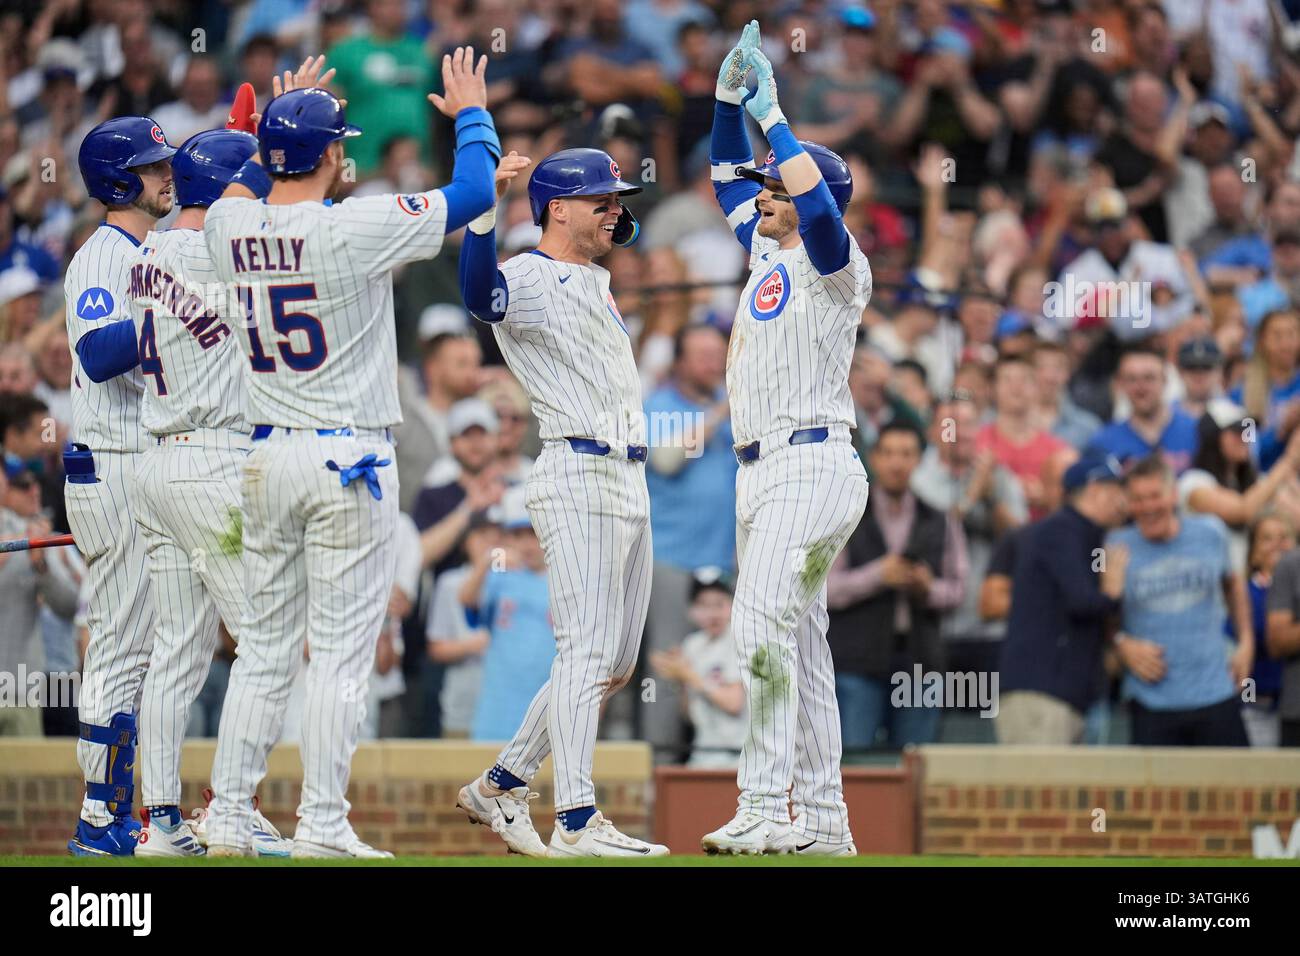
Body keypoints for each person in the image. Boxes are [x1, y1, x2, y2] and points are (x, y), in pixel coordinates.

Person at [201, 50, 499, 859]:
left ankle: (227, 810)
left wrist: (277, 125)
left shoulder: (228, 225)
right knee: (337, 656)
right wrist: (472, 112)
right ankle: (322, 824)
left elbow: (245, 183)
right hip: (345, 458)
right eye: (340, 145)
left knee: (263, 651)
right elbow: (474, 192)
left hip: (264, 457)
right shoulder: (352, 223)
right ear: (334, 155)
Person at [455, 139, 667, 852]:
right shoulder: (533, 273)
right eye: (600, 199)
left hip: (626, 474)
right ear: (556, 209)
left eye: (618, 198)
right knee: (584, 651)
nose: (616, 210)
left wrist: (607, 222)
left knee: (613, 666)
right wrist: (485, 206)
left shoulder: (594, 278)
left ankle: (502, 783)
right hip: (578, 469)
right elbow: (480, 297)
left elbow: (618, 230)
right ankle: (576, 817)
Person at [699, 22, 871, 857]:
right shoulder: (766, 254)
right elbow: (722, 173)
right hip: (761, 468)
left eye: (773, 189)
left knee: (759, 624)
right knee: (801, 644)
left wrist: (775, 117)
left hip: (811, 460)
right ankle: (829, 820)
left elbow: (817, 208)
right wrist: (730, 100)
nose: (758, 196)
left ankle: (766, 803)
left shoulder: (839, 263)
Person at [127, 127, 288, 858]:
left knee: (178, 651)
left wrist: (256, 137)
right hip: (213, 465)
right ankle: (230, 808)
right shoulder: (217, 256)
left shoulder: (153, 251)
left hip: (159, 461)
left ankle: (161, 819)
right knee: (266, 639)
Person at [63, 114, 176, 856]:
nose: (165, 172)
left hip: (137, 463)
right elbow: (100, 354)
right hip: (111, 463)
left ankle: (125, 812)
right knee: (123, 647)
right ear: (116, 180)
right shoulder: (102, 256)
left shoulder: (149, 249)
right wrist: (172, 316)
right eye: (151, 164)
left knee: (148, 646)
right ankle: (100, 817)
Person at [827, 422, 967, 751]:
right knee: (853, 766)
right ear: (873, 459)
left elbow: (958, 590)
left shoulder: (940, 519)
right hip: (855, 660)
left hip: (919, 660)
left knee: (916, 767)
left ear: (919, 461)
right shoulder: (846, 514)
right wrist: (879, 575)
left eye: (906, 454)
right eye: (889, 453)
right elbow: (825, 590)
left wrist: (927, 588)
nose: (897, 463)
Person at [1105, 454, 1252, 747]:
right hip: (1151, 699)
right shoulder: (1114, 545)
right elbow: (1103, 612)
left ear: (1173, 495)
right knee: (1155, 794)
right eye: (1137, 499)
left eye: (1154, 496)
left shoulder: (1211, 531)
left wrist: (1246, 642)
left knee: (1235, 789)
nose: (1147, 507)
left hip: (1215, 691)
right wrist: (1121, 643)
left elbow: (1233, 586)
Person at [641, 323, 736, 761]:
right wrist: (719, 414)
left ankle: (726, 768)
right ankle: (660, 768)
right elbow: (665, 460)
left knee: (726, 665)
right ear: (679, 361)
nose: (713, 362)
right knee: (668, 668)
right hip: (671, 559)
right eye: (701, 354)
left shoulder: (735, 407)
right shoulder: (659, 405)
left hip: (725, 562)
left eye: (718, 353)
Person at [997, 452, 1127, 744]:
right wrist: (1112, 593)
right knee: (1036, 788)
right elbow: (1081, 601)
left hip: (1063, 694)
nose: (1123, 501)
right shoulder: (1061, 530)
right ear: (1095, 491)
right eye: (1117, 490)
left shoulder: (1084, 533)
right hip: (1039, 694)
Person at [459, 494, 555, 744]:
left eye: (533, 534)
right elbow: (466, 600)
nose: (527, 544)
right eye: (518, 536)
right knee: (486, 778)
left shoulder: (566, 581)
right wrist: (486, 562)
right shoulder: (501, 577)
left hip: (548, 708)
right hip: (497, 711)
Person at [0, 465, 78, 737]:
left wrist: (42, 567)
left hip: (20, 687)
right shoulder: (24, 534)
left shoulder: (37, 534)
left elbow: (69, 604)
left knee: (27, 777)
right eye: (23, 484)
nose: (33, 491)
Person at [649, 568, 746, 769]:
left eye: (719, 604)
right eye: (704, 605)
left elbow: (734, 703)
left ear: (732, 605)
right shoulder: (693, 644)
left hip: (737, 757)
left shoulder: (737, 640)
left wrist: (690, 675)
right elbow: (688, 715)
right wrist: (678, 676)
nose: (712, 613)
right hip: (703, 754)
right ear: (691, 611)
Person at [426, 517, 496, 738]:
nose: (491, 544)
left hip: (508, 710)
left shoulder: (517, 581)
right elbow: (435, 649)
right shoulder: (450, 583)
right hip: (461, 704)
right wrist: (474, 645)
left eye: (498, 537)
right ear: (466, 542)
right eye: (482, 536)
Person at [975, 354, 1068, 518]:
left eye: (1024, 380)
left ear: (1036, 388)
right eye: (1007, 380)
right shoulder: (977, 443)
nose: (1016, 387)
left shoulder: (1058, 450)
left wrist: (1047, 497)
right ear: (992, 389)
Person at [1086, 344, 1200, 474]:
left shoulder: (1195, 431)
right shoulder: (1103, 441)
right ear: (1120, 384)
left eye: (1149, 378)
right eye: (1132, 379)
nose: (1141, 387)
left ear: (1165, 381)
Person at [1234, 515, 1294, 747]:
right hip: (1256, 704)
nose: (1277, 544)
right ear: (1253, 552)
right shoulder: (1244, 594)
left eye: (1284, 537)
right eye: (1267, 538)